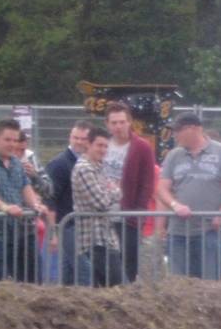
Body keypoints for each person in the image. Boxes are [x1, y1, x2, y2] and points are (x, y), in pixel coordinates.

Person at [156, 113, 221, 279]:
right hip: (178, 232)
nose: (174, 135)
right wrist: (175, 205)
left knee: (208, 285)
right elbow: (161, 188)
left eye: (178, 131)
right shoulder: (174, 155)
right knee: (178, 285)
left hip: (209, 230)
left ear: (193, 129)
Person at [102, 102, 159, 282]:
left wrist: (139, 212)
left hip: (128, 214)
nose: (118, 126)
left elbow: (147, 182)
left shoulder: (141, 147)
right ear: (107, 124)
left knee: (128, 262)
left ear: (129, 122)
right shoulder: (101, 144)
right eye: (114, 122)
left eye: (122, 122)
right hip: (102, 212)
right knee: (104, 260)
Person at [0, 117, 49, 282]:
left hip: (22, 231)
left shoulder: (17, 164)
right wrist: (5, 208)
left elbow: (26, 187)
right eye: (7, 139)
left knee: (32, 283)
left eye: (15, 140)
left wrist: (36, 205)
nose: (12, 144)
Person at [70, 123, 123, 287]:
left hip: (105, 238)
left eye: (106, 146)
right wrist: (115, 192)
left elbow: (112, 192)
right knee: (116, 289)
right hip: (94, 240)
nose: (103, 150)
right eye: (99, 145)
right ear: (88, 144)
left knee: (110, 290)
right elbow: (101, 202)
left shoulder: (98, 167)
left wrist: (113, 191)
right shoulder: (84, 169)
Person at [46, 122, 95, 285]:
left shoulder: (88, 162)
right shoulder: (60, 164)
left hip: (81, 225)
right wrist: (53, 232)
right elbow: (50, 198)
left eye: (83, 138)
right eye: (76, 138)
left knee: (68, 271)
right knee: (84, 271)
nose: (79, 142)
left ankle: (63, 305)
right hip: (67, 225)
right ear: (70, 137)